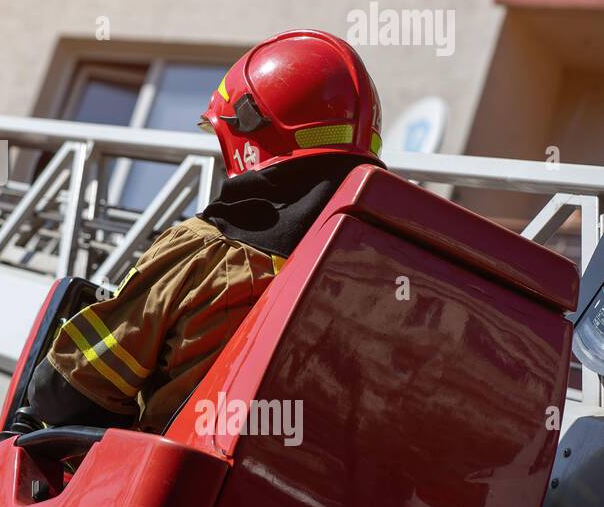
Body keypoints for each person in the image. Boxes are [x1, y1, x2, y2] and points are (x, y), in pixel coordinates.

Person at [28, 29, 385, 434]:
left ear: (248, 137)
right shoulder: (396, 282)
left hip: (174, 491)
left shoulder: (205, 253)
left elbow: (65, 391)